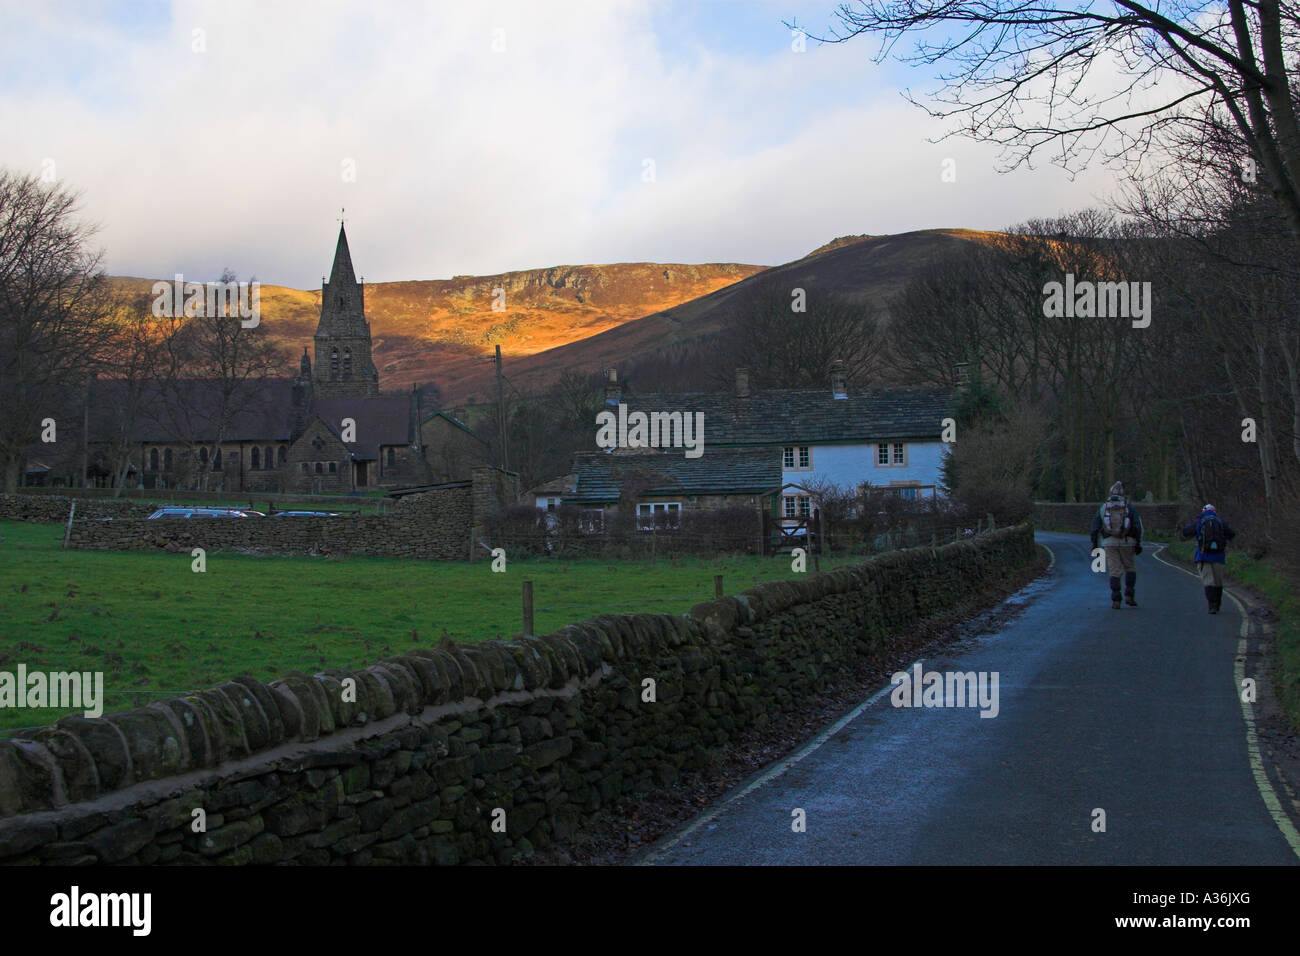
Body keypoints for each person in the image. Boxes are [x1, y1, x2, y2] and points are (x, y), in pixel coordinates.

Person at [1090, 481, 1143, 609]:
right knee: (1130, 568)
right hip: (1127, 541)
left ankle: (1116, 599)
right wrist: (1138, 542)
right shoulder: (1129, 506)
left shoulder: (1104, 507)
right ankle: (1129, 596)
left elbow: (1094, 527)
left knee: (1114, 570)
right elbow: (1137, 526)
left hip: (1109, 543)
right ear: (1123, 494)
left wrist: (1095, 544)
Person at [1181, 504, 1236, 614]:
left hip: (1203, 555)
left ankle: (1212, 606)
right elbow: (1232, 534)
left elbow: (1186, 531)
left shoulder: (1200, 520)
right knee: (1218, 582)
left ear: (1203, 511)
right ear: (1215, 511)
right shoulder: (1220, 521)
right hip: (1219, 556)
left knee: (1208, 581)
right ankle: (1218, 604)